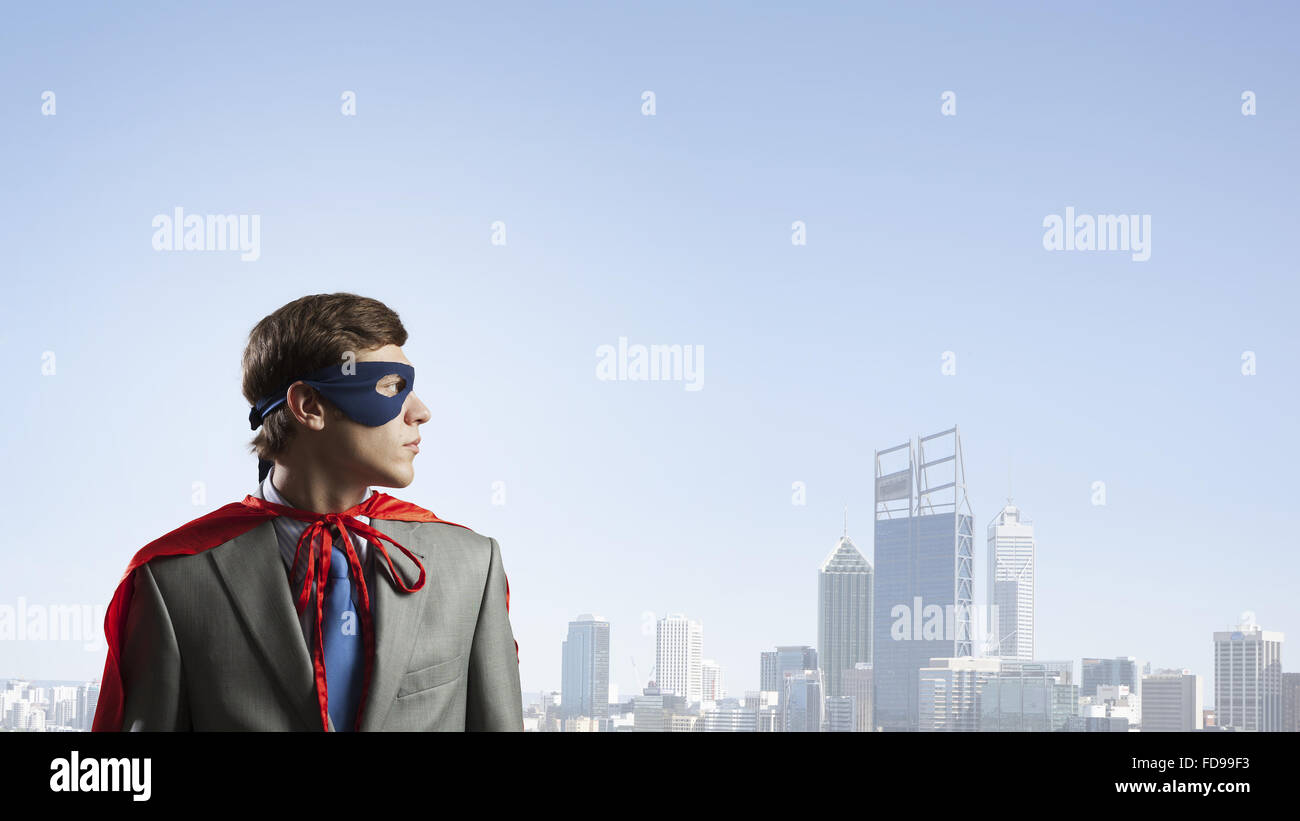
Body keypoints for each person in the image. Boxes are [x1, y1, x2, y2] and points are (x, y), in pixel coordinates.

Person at [91, 293, 522, 731]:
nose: (421, 412)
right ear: (310, 406)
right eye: (392, 387)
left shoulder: (470, 565)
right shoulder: (175, 579)